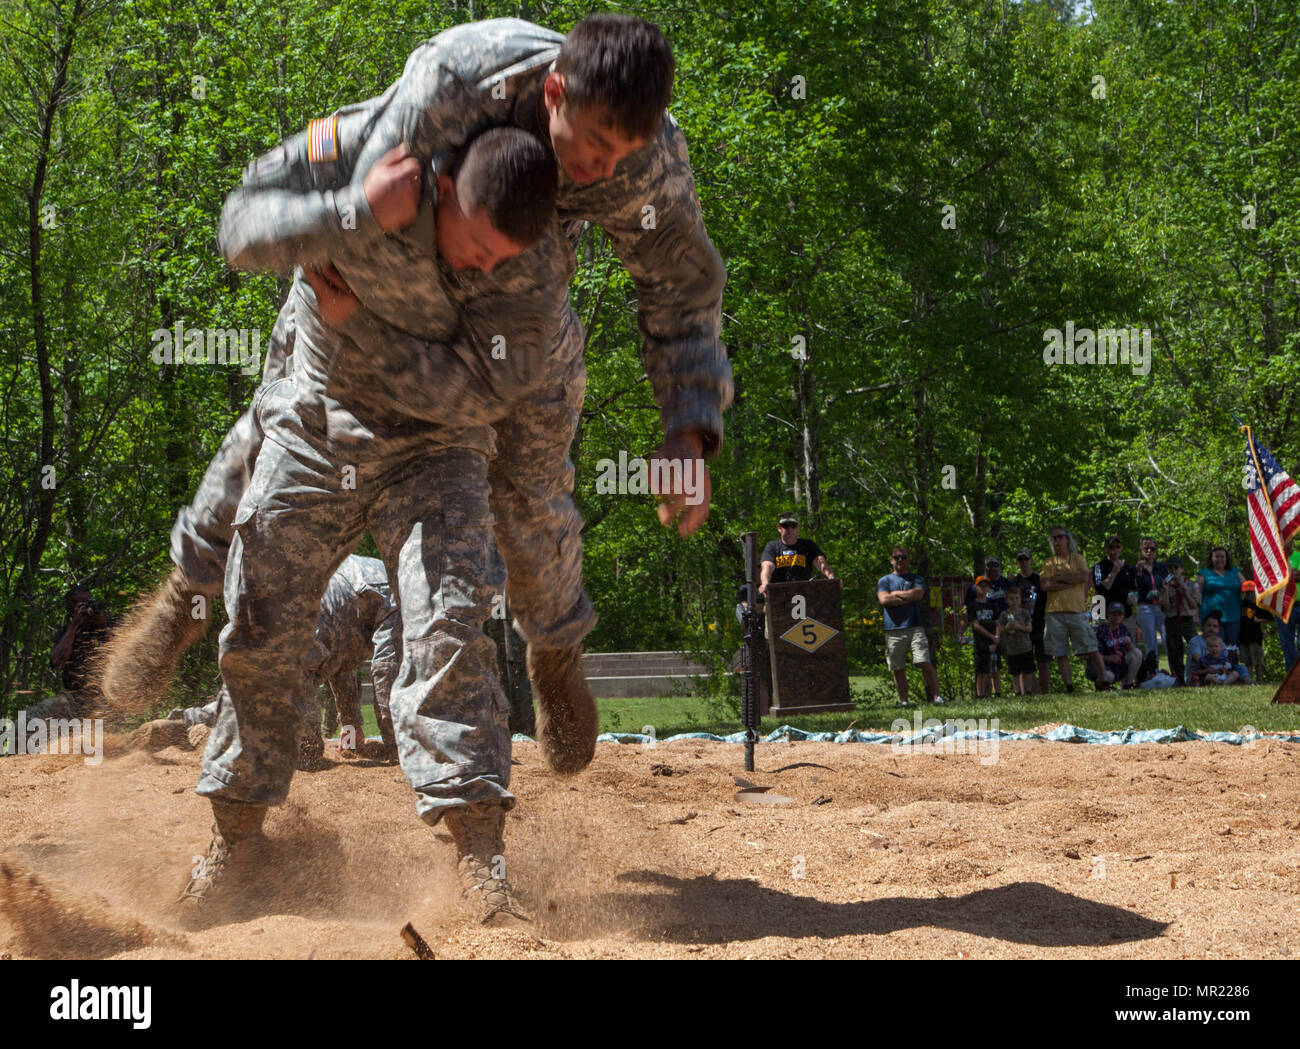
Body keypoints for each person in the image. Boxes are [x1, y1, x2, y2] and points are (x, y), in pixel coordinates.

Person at [99, 13, 730, 789]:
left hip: (518, 319)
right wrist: (352, 257)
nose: (603, 170)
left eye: (621, 155)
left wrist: (689, 424)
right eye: (593, 145)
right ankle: (188, 593)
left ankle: (557, 646)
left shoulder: (646, 159)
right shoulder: (456, 82)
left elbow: (680, 284)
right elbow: (341, 191)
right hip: (369, 290)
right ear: (556, 90)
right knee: (277, 433)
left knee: (533, 496)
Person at [173, 126, 564, 926]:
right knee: (261, 615)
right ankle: (236, 841)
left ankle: (479, 865)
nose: (484, 266)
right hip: (321, 424)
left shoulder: (530, 275)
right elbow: (242, 223)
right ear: (443, 193)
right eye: (477, 245)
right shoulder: (363, 179)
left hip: (438, 443)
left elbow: (503, 405)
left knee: (450, 615)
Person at [1041, 526, 1107, 692]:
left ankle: (1104, 681)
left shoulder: (1078, 559)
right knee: (1060, 652)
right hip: (1054, 613)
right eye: (1053, 538)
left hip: (1076, 611)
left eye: (1060, 537)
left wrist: (1059, 579)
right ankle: (1069, 686)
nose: (1057, 541)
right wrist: (1072, 580)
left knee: (1090, 647)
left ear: (1067, 539)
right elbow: (1045, 585)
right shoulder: (1048, 563)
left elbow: (1084, 577)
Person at [876, 546, 943, 706]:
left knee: (923, 661)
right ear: (891, 559)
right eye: (897, 557)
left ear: (908, 560)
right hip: (892, 629)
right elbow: (884, 600)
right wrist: (907, 598)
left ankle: (937, 697)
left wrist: (895, 595)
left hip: (915, 627)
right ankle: (904, 702)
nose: (900, 560)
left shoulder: (916, 578)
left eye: (904, 557)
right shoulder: (884, 581)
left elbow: (918, 594)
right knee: (897, 667)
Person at [758, 514, 835, 595]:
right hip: (778, 595)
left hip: (804, 594)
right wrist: (765, 584)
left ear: (798, 528)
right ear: (779, 528)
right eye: (785, 526)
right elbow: (767, 567)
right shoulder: (772, 547)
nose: (790, 529)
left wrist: (832, 578)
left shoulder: (808, 545)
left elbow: (821, 563)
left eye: (793, 526)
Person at [1013, 547, 1050, 693]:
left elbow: (1047, 601)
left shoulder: (1039, 579)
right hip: (1022, 627)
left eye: (1026, 559)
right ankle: (1032, 691)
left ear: (1031, 560)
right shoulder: (1014, 581)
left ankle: (1045, 692)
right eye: (1020, 559)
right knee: (1026, 663)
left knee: (1043, 661)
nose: (1023, 562)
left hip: (1040, 624)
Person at [1158, 556, 1200, 684]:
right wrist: (1165, 591)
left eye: (1176, 568)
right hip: (1172, 620)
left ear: (1181, 569)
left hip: (1187, 619)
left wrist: (1185, 592)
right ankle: (1179, 678)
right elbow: (1165, 608)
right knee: (1174, 651)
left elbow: (1195, 606)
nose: (1173, 571)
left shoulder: (1191, 584)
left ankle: (1197, 675)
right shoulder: (1165, 585)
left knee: (1195, 646)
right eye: (1170, 568)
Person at [1087, 602, 1142, 689]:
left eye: (1120, 614)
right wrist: (1110, 658)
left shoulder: (1123, 628)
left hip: (1118, 664)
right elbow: (1094, 656)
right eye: (1114, 614)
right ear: (1108, 615)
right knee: (1110, 677)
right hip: (1103, 666)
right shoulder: (1101, 631)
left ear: (1123, 616)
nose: (1117, 617)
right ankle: (1100, 685)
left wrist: (1129, 644)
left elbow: (1131, 650)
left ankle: (1127, 685)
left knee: (1137, 653)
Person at [1198, 546, 1243, 646]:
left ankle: (1232, 662)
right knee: (1214, 648)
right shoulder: (1204, 573)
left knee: (1233, 649)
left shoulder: (1235, 572)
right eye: (1216, 556)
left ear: (1227, 558)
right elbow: (1197, 595)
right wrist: (1195, 615)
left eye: (1222, 556)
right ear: (1211, 558)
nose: (1219, 559)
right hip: (1211, 619)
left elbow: (1247, 589)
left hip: (1234, 616)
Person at [1132, 538, 1166, 670]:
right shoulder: (1136, 568)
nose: (1149, 551)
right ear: (1141, 550)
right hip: (1145, 606)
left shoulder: (1161, 567)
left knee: (1167, 638)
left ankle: (1175, 671)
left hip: (1161, 606)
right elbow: (1136, 588)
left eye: (1152, 548)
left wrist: (1163, 592)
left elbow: (1168, 583)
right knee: (1150, 640)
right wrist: (1139, 572)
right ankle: (1153, 671)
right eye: (1146, 548)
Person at [963, 576, 999, 698]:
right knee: (981, 670)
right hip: (980, 642)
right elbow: (976, 625)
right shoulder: (972, 606)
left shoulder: (992, 604)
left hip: (993, 641)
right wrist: (991, 636)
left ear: (989, 588)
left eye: (986, 586)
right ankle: (980, 695)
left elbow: (997, 622)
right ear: (976, 587)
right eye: (981, 585)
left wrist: (996, 638)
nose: (983, 588)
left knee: (994, 668)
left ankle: (996, 693)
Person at [995, 585, 1035, 696]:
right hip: (1012, 648)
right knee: (1015, 672)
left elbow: (1029, 628)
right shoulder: (1004, 615)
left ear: (1020, 599)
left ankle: (1028, 691)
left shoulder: (1024, 613)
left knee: (1028, 671)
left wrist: (1018, 627)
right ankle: (1017, 692)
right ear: (1007, 600)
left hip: (1025, 646)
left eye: (1017, 598)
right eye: (1012, 599)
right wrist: (1007, 628)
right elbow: (1000, 630)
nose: (1015, 601)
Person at [1093, 536, 1137, 629]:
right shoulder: (1099, 567)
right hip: (1105, 615)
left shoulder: (1127, 568)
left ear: (1121, 548)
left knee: (1128, 642)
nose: (1115, 550)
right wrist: (1114, 571)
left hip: (1125, 615)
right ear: (1106, 549)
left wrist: (1133, 598)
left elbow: (1134, 588)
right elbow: (1100, 589)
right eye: (1111, 547)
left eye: (1118, 547)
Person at [1273, 541, 1300, 673]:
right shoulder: (1275, 559)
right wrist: (1291, 576)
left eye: (1289, 540)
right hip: (1283, 606)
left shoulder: (1298, 556)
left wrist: (1286, 576)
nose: (1286, 544)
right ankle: (1293, 674)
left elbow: (1294, 576)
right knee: (1286, 643)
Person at [1238, 579, 1271, 684]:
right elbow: (1249, 616)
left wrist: (1260, 620)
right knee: (1246, 661)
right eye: (1247, 592)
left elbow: (1270, 617)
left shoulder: (1260, 604)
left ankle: (1259, 680)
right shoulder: (1242, 604)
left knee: (1257, 660)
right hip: (1243, 637)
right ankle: (1249, 680)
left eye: (1252, 592)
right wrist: (1255, 618)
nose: (1249, 594)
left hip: (1255, 638)